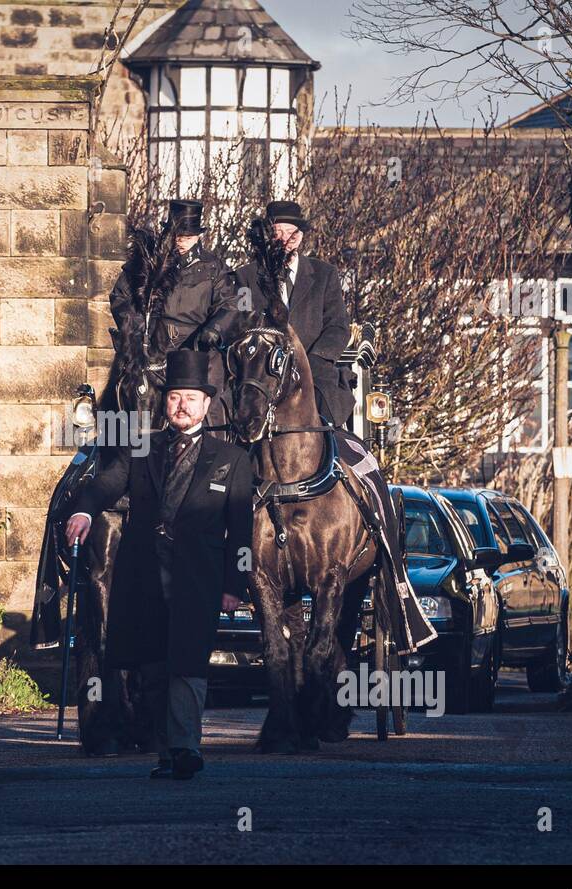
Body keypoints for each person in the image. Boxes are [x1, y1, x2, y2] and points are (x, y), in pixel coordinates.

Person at [65, 350, 253, 780]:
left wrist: (233, 586)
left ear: (207, 404)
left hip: (198, 579)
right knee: (152, 665)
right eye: (174, 398)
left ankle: (186, 747)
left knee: (187, 664)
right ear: (165, 403)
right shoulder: (142, 449)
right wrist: (85, 510)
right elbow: (107, 483)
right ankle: (168, 752)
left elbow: (239, 532)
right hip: (143, 575)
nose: (182, 405)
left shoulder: (232, 460)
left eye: (191, 397)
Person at [109, 199, 241, 430]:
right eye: (177, 237)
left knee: (210, 403)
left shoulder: (214, 267)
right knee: (129, 394)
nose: (181, 243)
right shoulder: (147, 262)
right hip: (153, 344)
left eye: (187, 238)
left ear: (198, 236)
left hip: (199, 348)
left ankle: (212, 445)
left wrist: (214, 330)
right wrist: (137, 327)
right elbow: (121, 297)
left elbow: (230, 304)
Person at [232, 201, 355, 428]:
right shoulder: (245, 278)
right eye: (278, 232)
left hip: (313, 368)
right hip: (263, 371)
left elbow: (337, 327)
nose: (285, 239)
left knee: (327, 411)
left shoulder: (324, 274)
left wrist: (313, 361)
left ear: (299, 236)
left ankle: (336, 459)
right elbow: (241, 324)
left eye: (291, 233)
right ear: (267, 235)